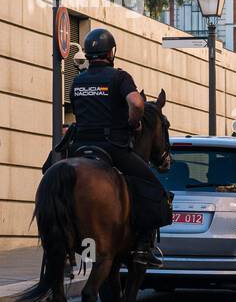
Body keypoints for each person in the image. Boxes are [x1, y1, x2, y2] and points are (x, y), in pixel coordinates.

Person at [70, 27, 170, 267]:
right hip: (112, 147)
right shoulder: (119, 77)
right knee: (153, 188)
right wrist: (134, 123)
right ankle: (144, 248)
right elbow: (136, 102)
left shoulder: (77, 80)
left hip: (80, 147)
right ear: (111, 52)